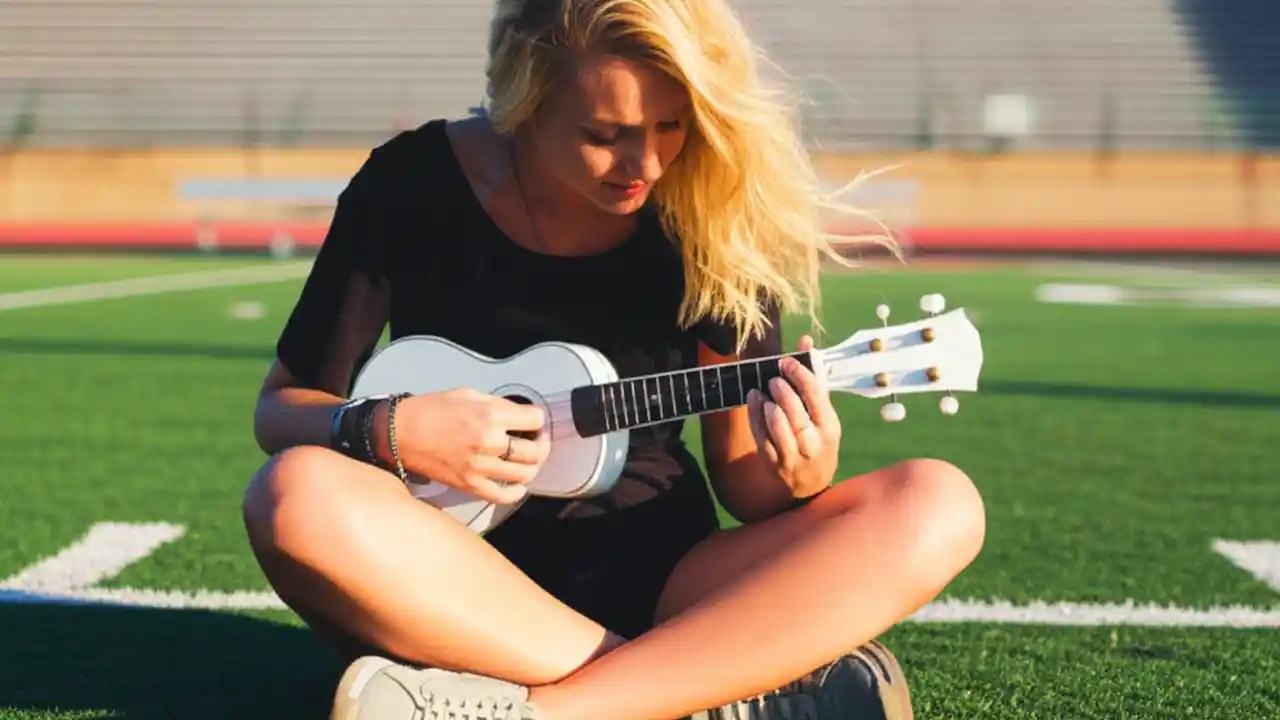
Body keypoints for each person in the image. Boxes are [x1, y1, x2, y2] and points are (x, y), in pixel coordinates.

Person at [241, 1, 986, 718]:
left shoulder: (714, 210)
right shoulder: (410, 185)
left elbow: (745, 484)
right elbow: (283, 409)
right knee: (293, 494)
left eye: (671, 125)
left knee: (938, 505)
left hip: (665, 578)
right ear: (526, 100)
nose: (646, 163)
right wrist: (393, 430)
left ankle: (544, 712)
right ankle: (692, 687)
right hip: (439, 579)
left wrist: (801, 473)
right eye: (605, 133)